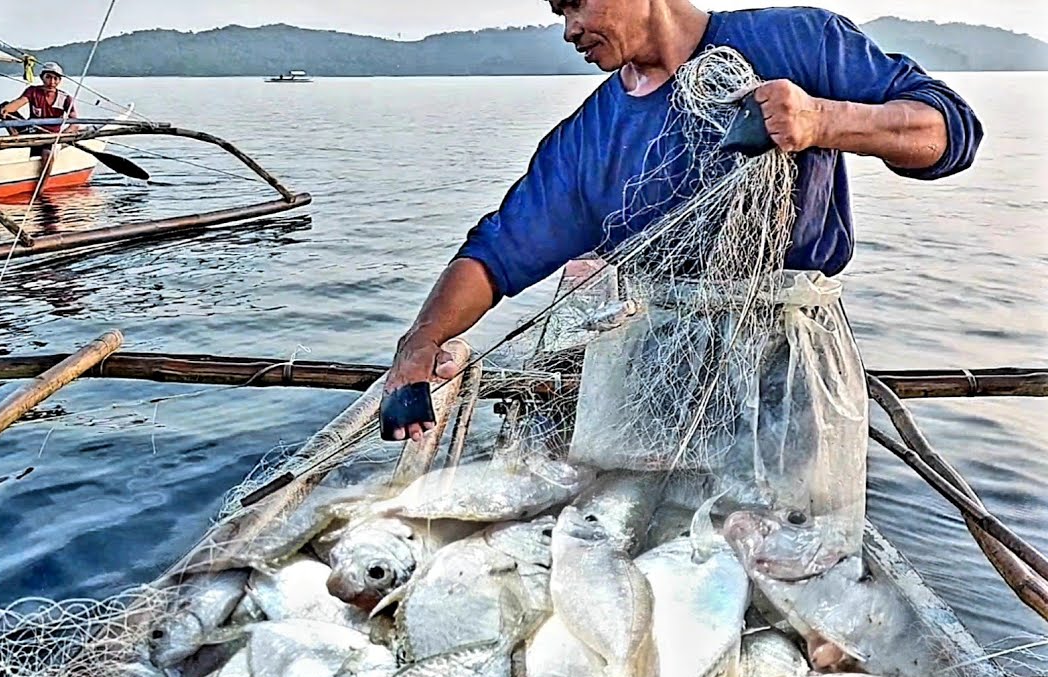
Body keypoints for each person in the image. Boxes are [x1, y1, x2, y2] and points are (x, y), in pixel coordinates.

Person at [381, 0, 981, 443]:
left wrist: (824, 120)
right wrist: (422, 340)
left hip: (789, 372)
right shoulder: (589, 137)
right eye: (558, 12)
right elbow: (497, 254)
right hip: (649, 379)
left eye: (578, 4)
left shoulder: (799, 39)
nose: (568, 30)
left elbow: (950, 131)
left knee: (785, 549)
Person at [0, 61, 79, 183]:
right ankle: (15, 138)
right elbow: (19, 102)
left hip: (50, 137)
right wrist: (6, 110)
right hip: (31, 130)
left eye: (56, 79)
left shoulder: (65, 98)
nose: (52, 82)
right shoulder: (33, 91)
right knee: (3, 106)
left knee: (47, 155)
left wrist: (62, 136)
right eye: (48, 77)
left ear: (60, 80)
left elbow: (75, 123)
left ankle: (41, 187)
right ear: (42, 77)